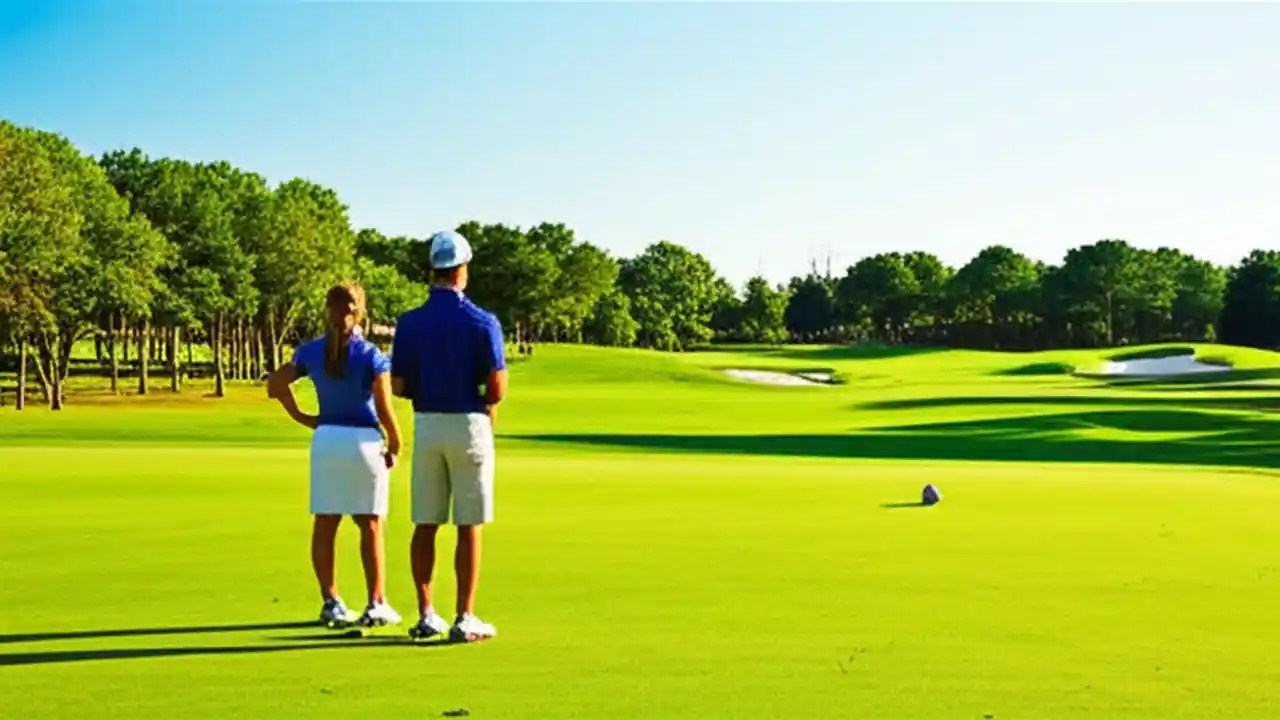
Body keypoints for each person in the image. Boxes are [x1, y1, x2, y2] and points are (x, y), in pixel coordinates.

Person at [392, 230, 507, 643]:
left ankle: (426, 614)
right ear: (462, 270)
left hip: (427, 424)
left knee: (426, 521)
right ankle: (465, 616)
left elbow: (399, 385)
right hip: (470, 424)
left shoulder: (409, 323)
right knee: (468, 523)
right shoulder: (483, 322)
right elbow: (497, 388)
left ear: (432, 271)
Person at [267, 283, 403, 629]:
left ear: (327, 310)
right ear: (359, 312)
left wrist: (304, 418)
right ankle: (376, 602)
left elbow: (275, 386)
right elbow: (385, 406)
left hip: (327, 440)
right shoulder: (372, 354)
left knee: (326, 523)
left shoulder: (310, 351)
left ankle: (331, 601)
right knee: (369, 524)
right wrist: (396, 441)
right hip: (363, 443)